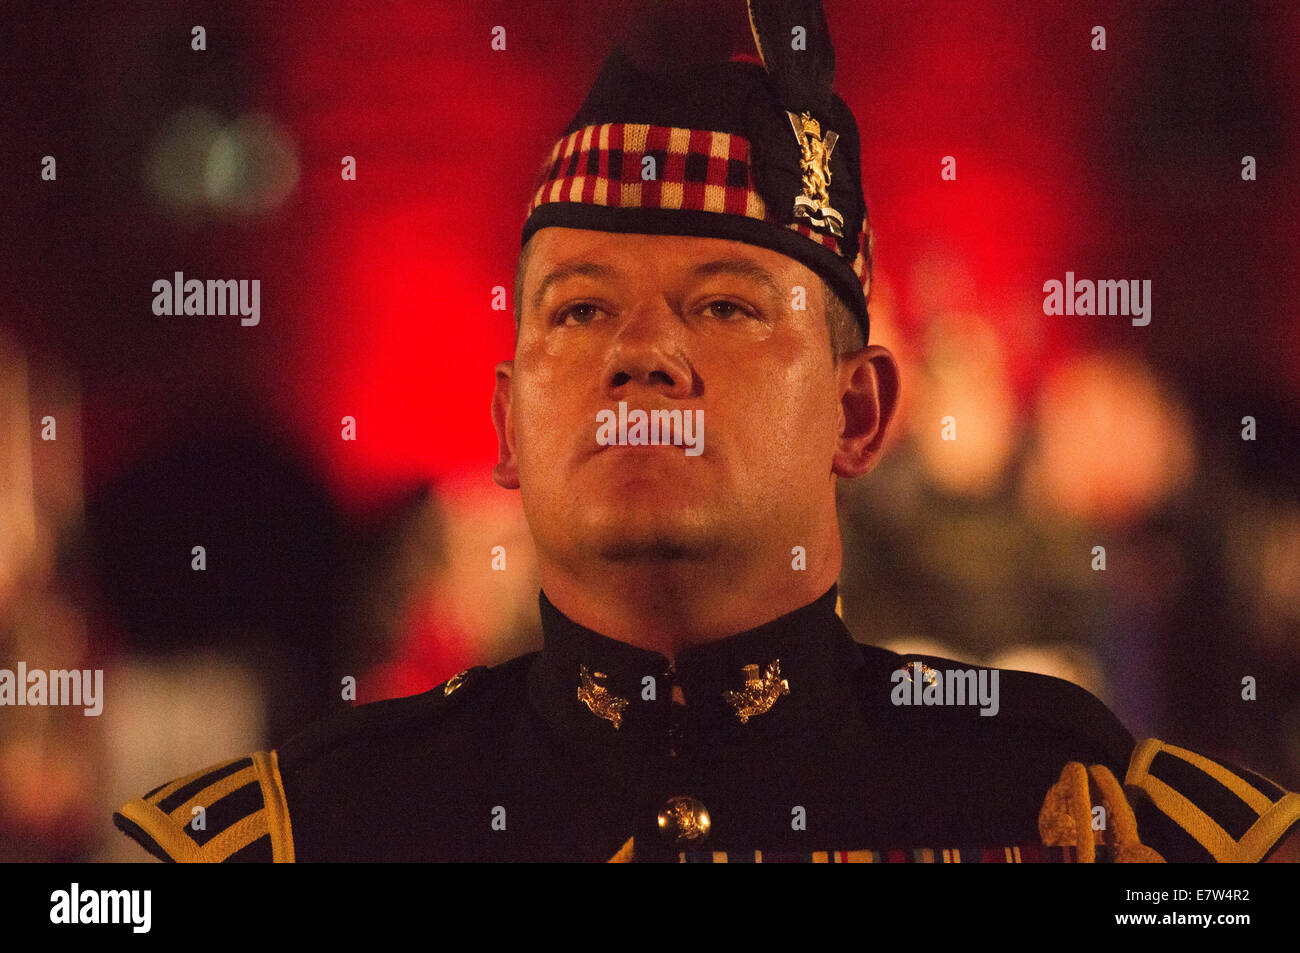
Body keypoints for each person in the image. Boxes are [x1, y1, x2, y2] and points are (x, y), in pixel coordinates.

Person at [113, 0, 1298, 863]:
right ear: (506, 424)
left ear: (857, 409)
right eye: (579, 307)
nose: (643, 349)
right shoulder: (308, 832)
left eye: (726, 304)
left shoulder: (1073, 810)